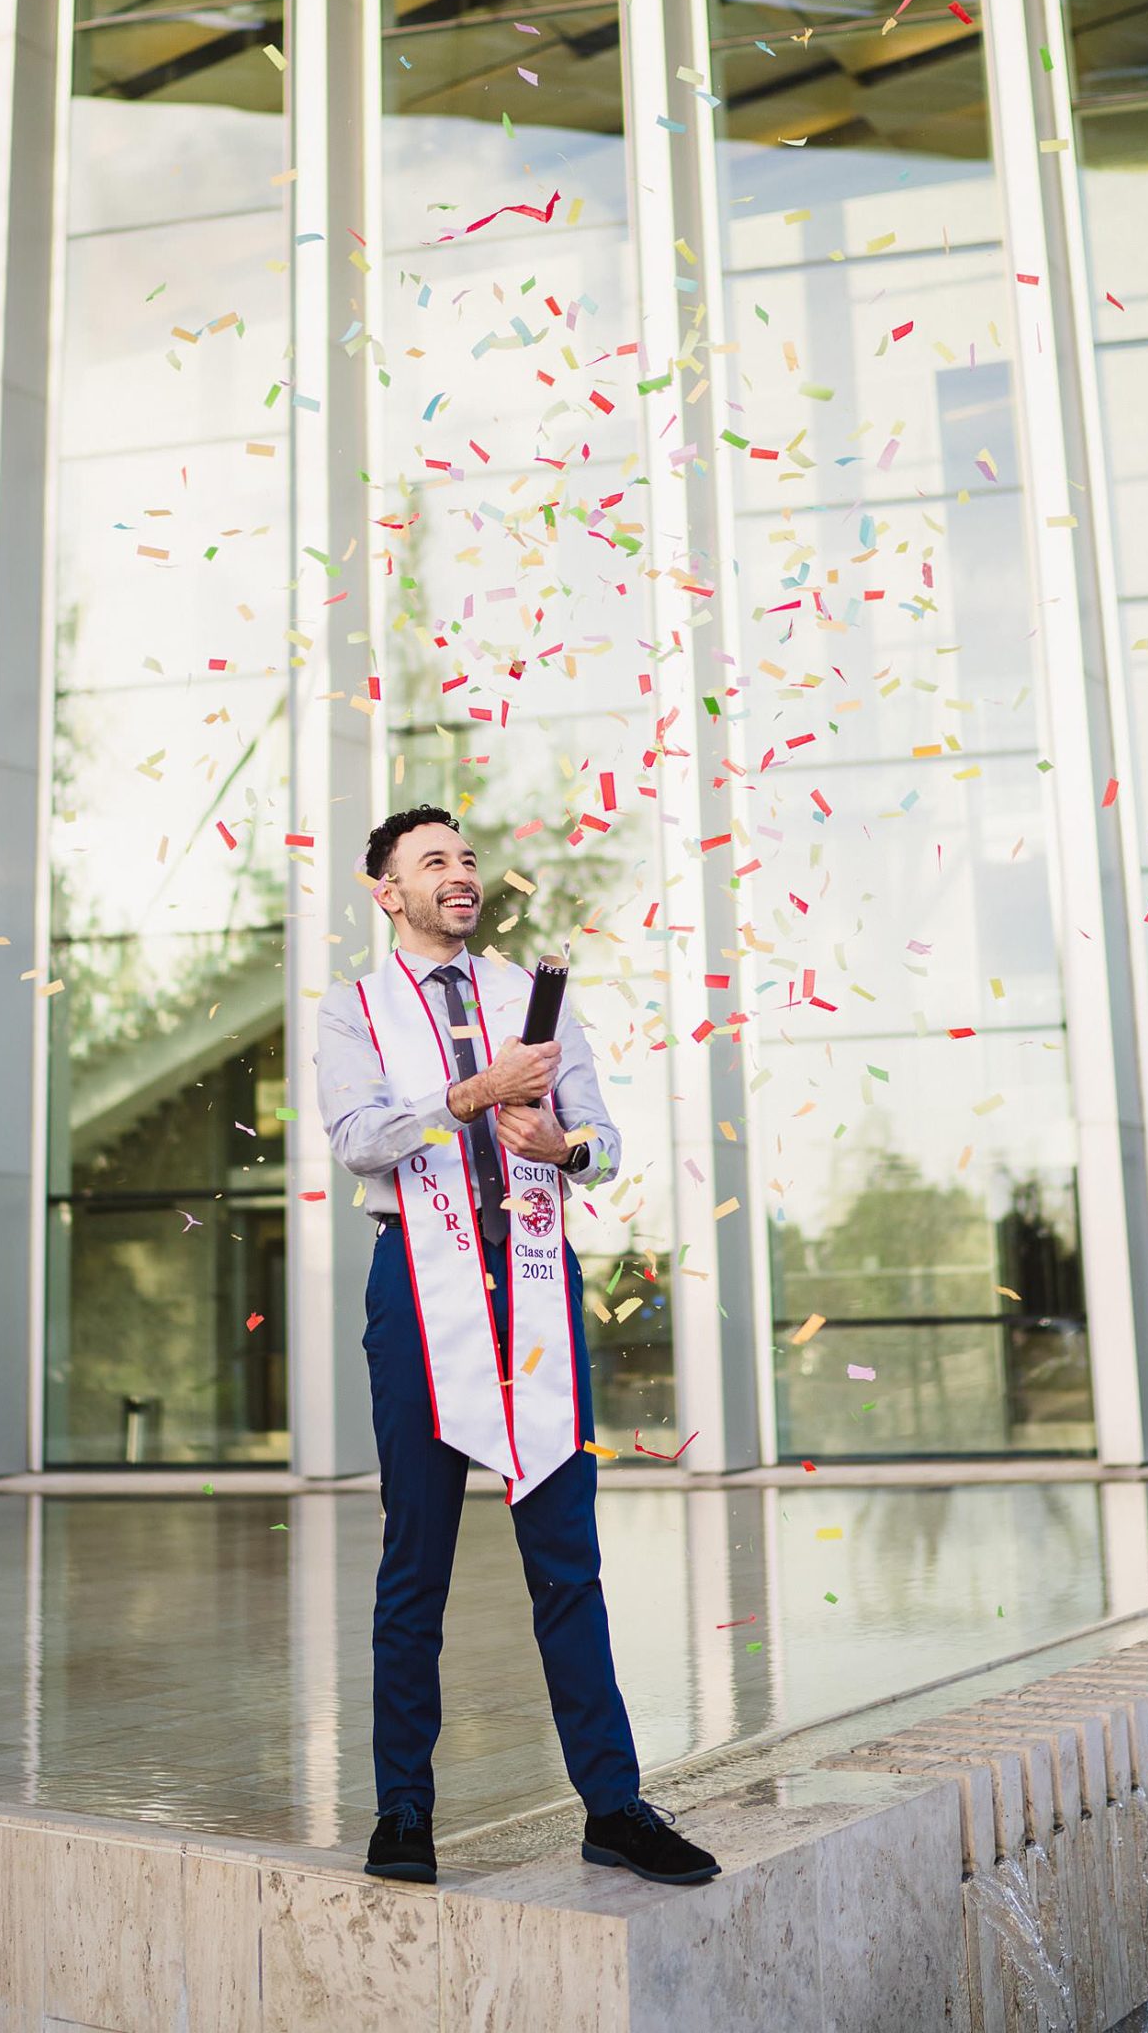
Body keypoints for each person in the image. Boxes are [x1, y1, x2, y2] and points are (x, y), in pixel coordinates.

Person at [315, 804, 720, 1889]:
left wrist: (563, 1142)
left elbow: (600, 1136)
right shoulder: (352, 1009)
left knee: (566, 1561)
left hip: (533, 1284)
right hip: (416, 1282)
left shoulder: (528, 1000)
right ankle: (403, 1809)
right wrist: (469, 1097)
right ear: (384, 891)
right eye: (431, 862)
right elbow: (356, 1141)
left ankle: (613, 1805)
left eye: (466, 858)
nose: (459, 874)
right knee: (417, 1564)